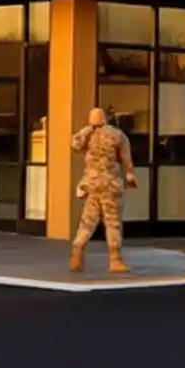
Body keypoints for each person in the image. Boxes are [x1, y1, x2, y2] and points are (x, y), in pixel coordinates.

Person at [69, 107, 138, 273]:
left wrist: (88, 129)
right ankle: (115, 260)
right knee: (113, 222)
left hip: (92, 185)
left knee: (87, 221)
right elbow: (126, 160)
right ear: (105, 119)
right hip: (111, 185)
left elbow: (74, 144)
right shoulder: (118, 135)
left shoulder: (87, 136)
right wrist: (130, 176)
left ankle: (77, 254)